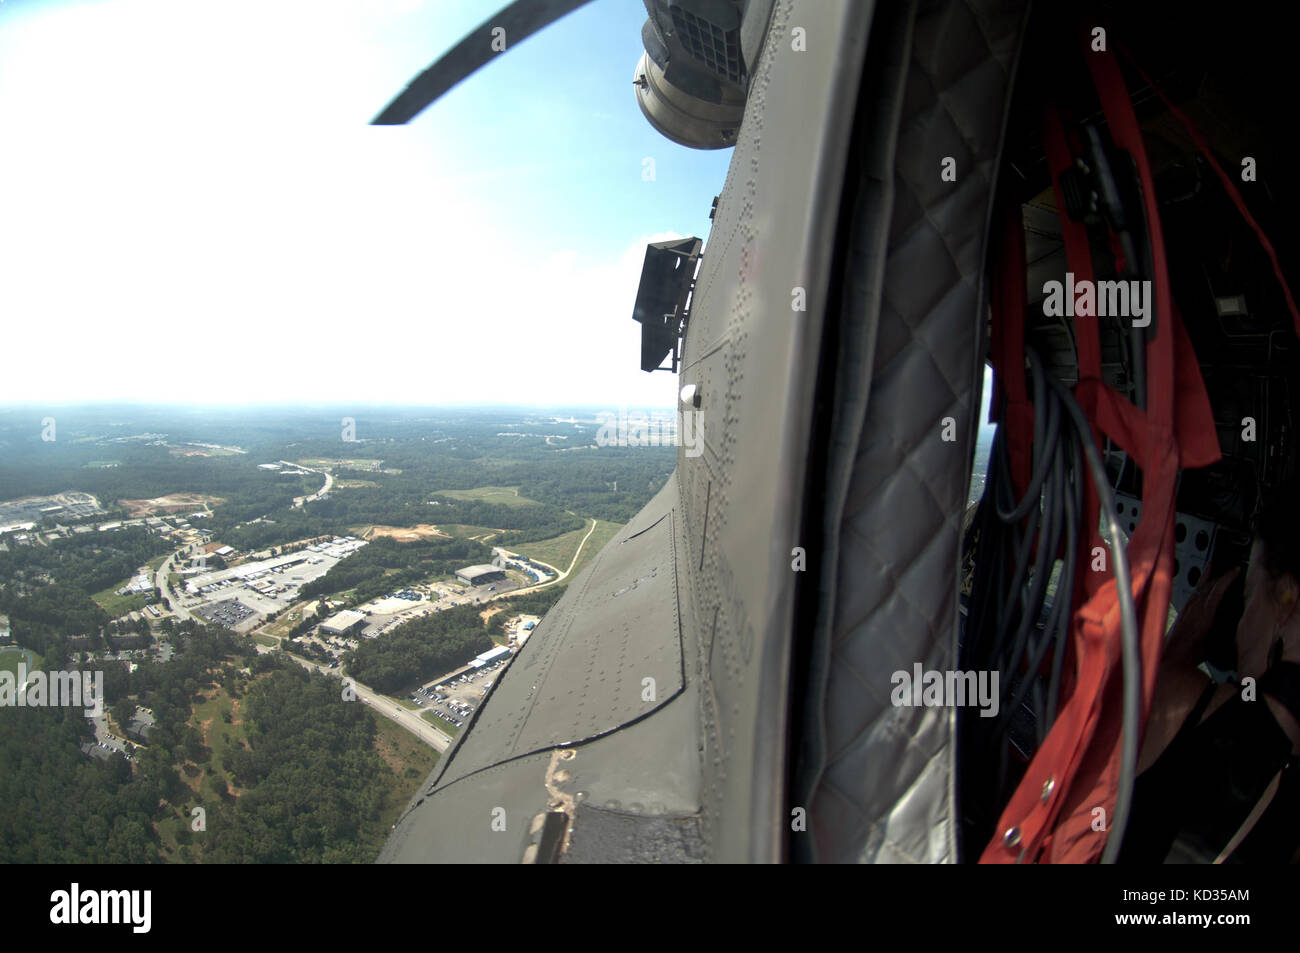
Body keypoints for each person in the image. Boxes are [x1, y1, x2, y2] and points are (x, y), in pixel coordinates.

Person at [1120, 488, 1300, 863]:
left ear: (1286, 596)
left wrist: (1177, 651)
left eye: (1250, 595)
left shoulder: (1194, 706)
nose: (1239, 629)